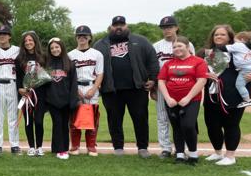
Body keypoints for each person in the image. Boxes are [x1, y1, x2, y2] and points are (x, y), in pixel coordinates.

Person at [92, 15, 159, 158]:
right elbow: (93, 65)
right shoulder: (100, 44)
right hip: (111, 90)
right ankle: (118, 147)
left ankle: (142, 148)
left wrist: (153, 79)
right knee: (114, 120)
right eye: (116, 25)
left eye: (121, 24)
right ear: (111, 27)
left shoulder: (140, 41)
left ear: (126, 26)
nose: (118, 27)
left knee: (140, 118)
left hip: (136, 88)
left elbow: (152, 60)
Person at [201, 25, 251, 166]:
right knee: (212, 125)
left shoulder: (240, 50)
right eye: (216, 34)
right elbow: (195, 69)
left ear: (230, 37)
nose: (218, 37)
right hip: (212, 95)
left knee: (231, 124)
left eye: (222, 34)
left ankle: (230, 156)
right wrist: (206, 74)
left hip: (234, 94)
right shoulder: (205, 53)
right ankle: (217, 152)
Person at [157, 36, 208, 165]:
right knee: (177, 127)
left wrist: (188, 98)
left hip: (191, 100)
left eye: (180, 46)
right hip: (171, 101)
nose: (176, 49)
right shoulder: (169, 63)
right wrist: (168, 98)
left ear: (187, 47)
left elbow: (202, 80)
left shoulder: (198, 61)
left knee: (188, 125)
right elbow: (161, 81)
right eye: (174, 47)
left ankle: (193, 155)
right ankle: (179, 154)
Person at [152, 16, 195, 158]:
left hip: (184, 86)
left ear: (176, 27)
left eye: (169, 27)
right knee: (162, 117)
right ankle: (165, 148)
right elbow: (153, 67)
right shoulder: (157, 46)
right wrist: (153, 87)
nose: (167, 30)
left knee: (185, 118)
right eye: (164, 28)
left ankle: (184, 148)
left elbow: (194, 63)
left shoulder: (188, 44)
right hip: (162, 86)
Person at [68, 26, 104, 156]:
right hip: (75, 88)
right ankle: (75, 146)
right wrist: (76, 90)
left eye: (84, 35)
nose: (82, 38)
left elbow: (100, 74)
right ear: (76, 37)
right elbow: (69, 76)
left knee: (93, 118)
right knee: (74, 118)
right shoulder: (70, 55)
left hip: (91, 87)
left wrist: (93, 89)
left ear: (89, 37)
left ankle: (91, 146)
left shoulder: (97, 54)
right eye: (79, 35)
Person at [41, 38, 78, 160]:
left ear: (61, 47)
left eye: (57, 47)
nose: (54, 50)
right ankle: (60, 150)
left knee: (64, 125)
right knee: (57, 124)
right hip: (52, 100)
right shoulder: (46, 64)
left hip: (66, 100)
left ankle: (61, 148)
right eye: (52, 48)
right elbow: (43, 83)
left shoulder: (69, 63)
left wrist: (73, 100)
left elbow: (73, 83)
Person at [0, 24, 21, 156]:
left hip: (13, 84)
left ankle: (15, 145)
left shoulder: (17, 50)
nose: (2, 36)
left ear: (9, 36)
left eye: (4, 34)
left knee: (13, 117)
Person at [15, 31, 44, 156]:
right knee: (28, 121)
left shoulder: (43, 57)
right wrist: (20, 89)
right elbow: (17, 76)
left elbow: (46, 76)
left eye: (30, 40)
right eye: (25, 41)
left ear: (35, 41)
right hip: (25, 94)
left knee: (38, 121)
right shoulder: (20, 59)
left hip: (40, 94)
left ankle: (40, 147)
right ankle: (31, 147)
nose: (28, 43)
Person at [226, 31, 251, 108]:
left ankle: (247, 100)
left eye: (235, 40)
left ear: (242, 39)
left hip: (244, 71)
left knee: (240, 85)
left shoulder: (240, 46)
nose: (234, 42)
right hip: (247, 70)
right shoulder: (249, 49)